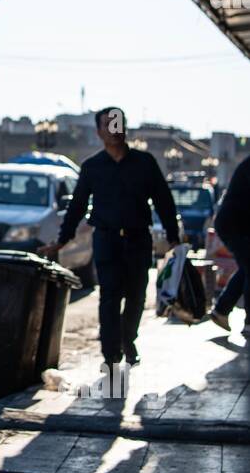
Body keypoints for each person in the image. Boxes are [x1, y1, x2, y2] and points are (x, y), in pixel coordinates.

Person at [41, 108, 180, 370]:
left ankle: (129, 340)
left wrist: (174, 237)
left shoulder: (145, 162)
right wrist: (62, 240)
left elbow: (164, 201)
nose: (114, 128)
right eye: (108, 124)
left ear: (125, 128)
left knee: (137, 295)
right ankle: (111, 352)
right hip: (106, 241)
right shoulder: (93, 167)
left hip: (138, 240)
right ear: (99, 132)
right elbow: (77, 206)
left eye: (119, 123)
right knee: (110, 295)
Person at [210, 153, 250, 336]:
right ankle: (248, 323)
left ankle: (221, 310)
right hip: (234, 224)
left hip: (235, 224)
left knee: (246, 267)